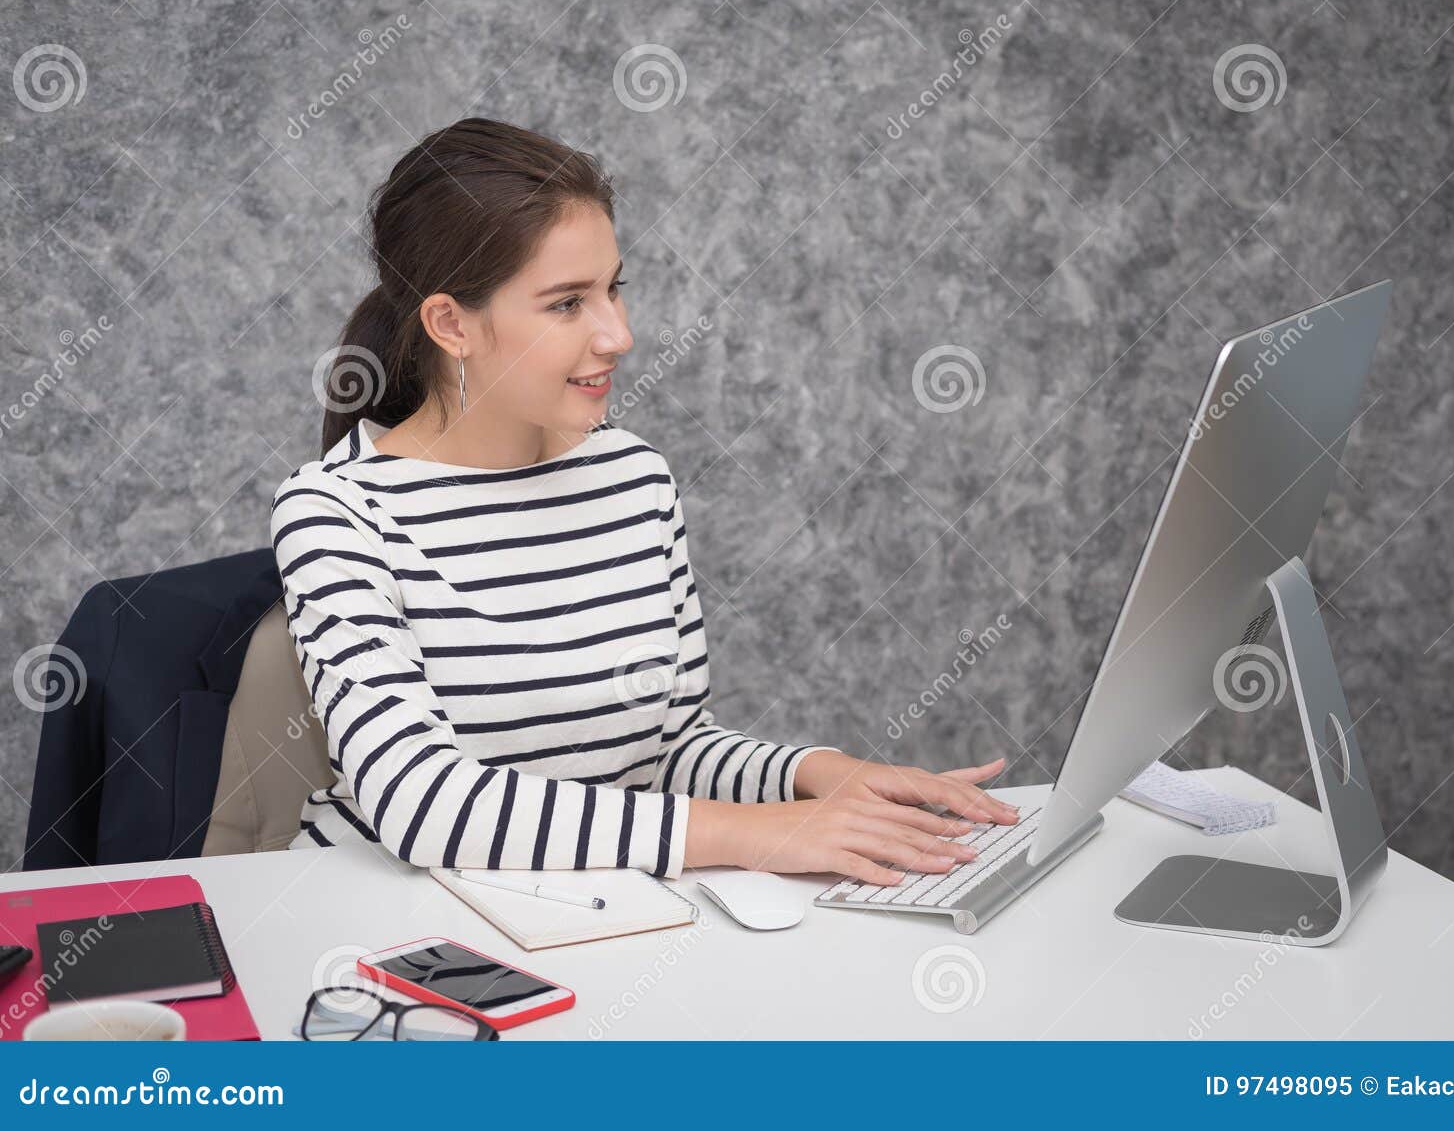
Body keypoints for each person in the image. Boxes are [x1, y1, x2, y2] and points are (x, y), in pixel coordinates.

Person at [271, 117, 1018, 888]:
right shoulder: (335, 512)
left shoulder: (634, 477)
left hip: (582, 910)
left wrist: (819, 777)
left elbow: (664, 753)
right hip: (381, 915)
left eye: (613, 289)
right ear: (451, 323)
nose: (618, 335)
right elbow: (423, 803)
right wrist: (755, 833)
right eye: (568, 304)